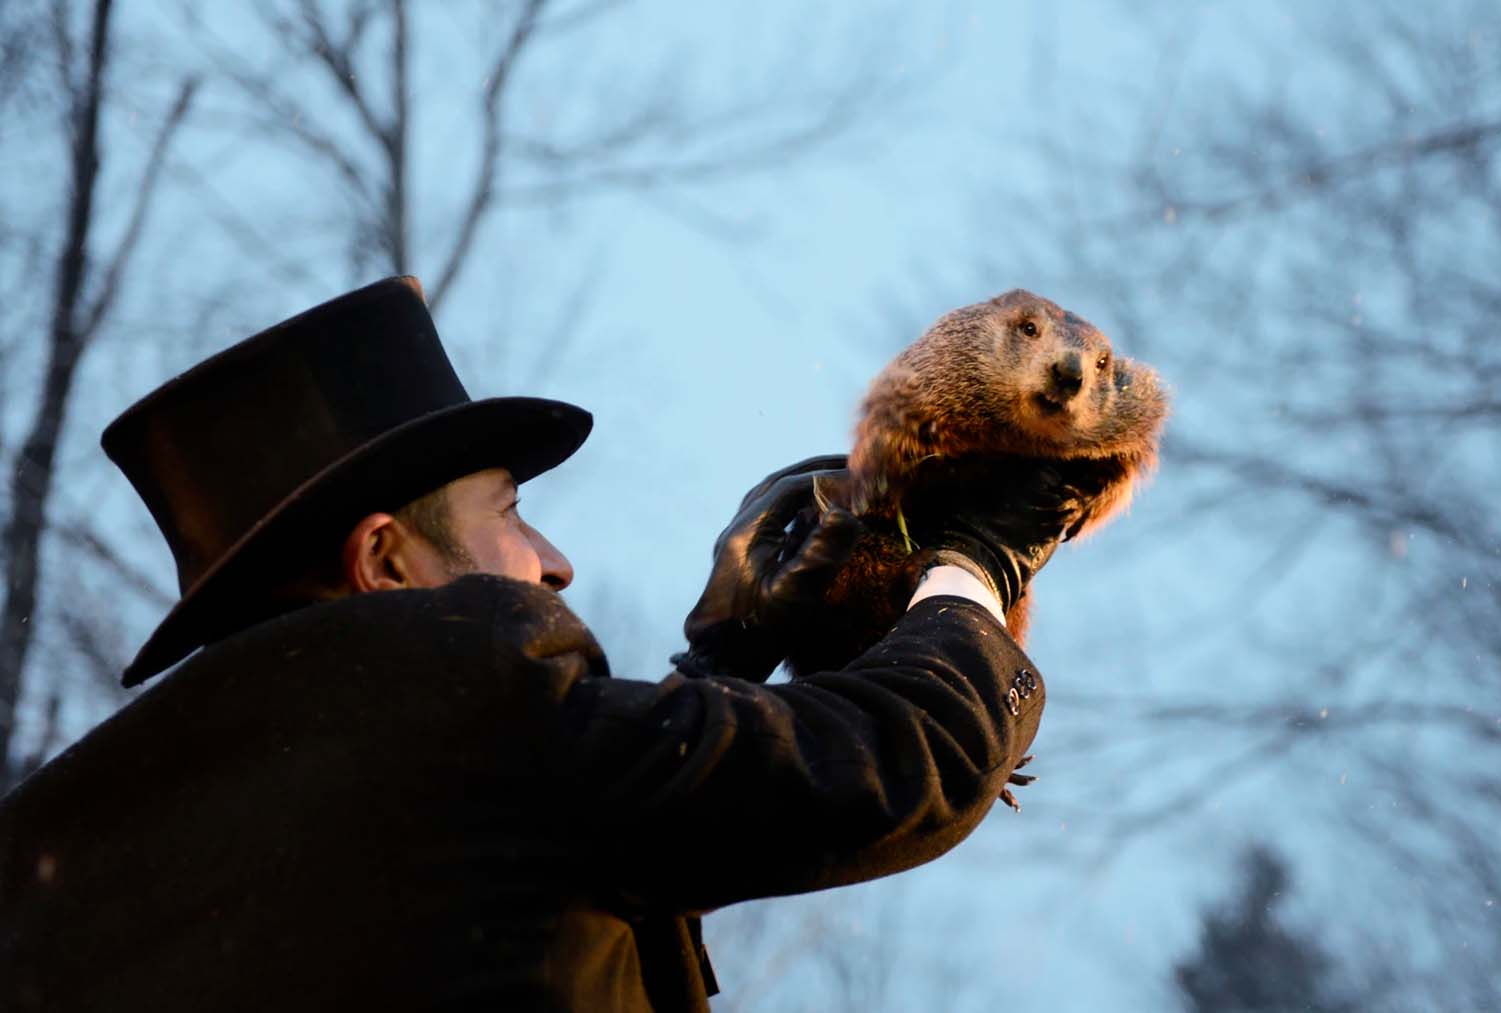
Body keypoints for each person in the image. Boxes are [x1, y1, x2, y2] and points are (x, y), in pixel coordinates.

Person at [0, 277, 1095, 1012]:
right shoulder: (456, 687)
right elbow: (892, 761)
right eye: (510, 510)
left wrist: (723, 666)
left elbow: (522, 863)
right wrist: (975, 564)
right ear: (385, 563)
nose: (554, 559)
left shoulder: (98, 847)